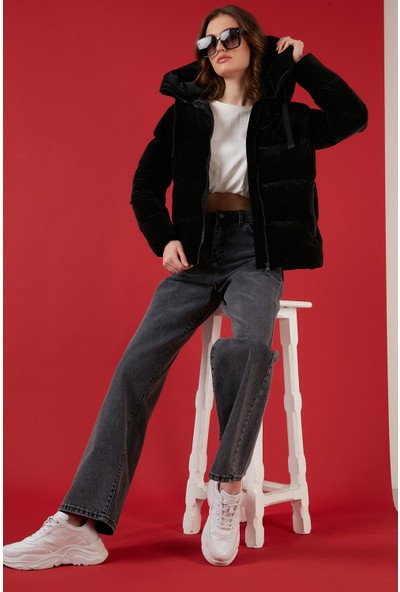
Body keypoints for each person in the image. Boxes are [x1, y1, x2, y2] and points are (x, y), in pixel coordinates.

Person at [3, 4, 367, 570]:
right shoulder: (184, 117)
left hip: (257, 253)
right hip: (197, 254)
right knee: (135, 368)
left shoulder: (285, 117)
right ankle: (80, 525)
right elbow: (145, 186)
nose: (217, 47)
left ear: (254, 43)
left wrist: (306, 63)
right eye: (207, 42)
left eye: (229, 37)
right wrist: (164, 237)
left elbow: (352, 115)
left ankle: (227, 490)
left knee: (248, 349)